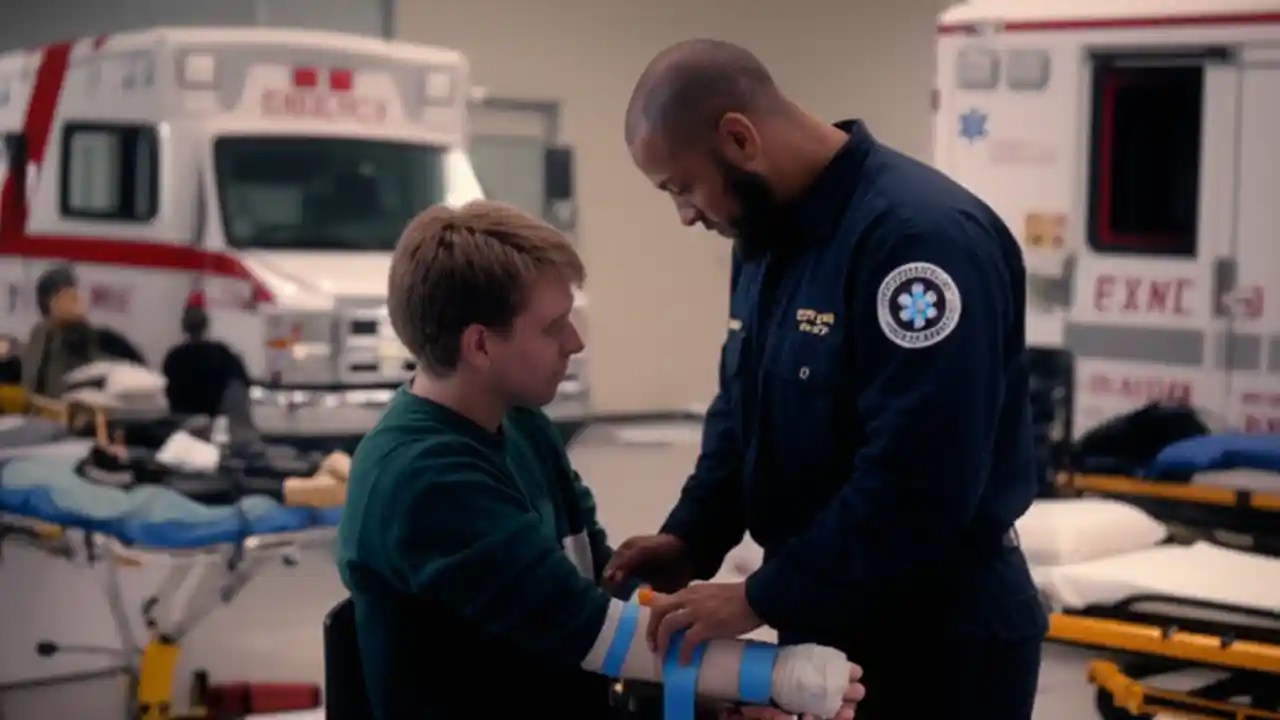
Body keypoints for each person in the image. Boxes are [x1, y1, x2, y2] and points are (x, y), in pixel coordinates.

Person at [605, 39, 1049, 719]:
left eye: (683, 188)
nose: (686, 215)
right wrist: (693, 536)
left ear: (738, 138)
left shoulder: (917, 242)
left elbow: (921, 479)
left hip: (939, 638)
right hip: (829, 612)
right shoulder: (766, 239)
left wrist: (758, 598)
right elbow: (741, 412)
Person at [335, 200, 866, 720]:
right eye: (552, 326)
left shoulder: (520, 424)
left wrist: (714, 700)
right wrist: (781, 677)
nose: (576, 341)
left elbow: (598, 589)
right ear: (479, 345)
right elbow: (595, 633)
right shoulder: (426, 480)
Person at [21, 264, 100, 398]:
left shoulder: (82, 334)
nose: (75, 300)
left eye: (74, 294)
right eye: (67, 295)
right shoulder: (40, 333)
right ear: (49, 302)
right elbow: (31, 382)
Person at [161, 302, 250, 417]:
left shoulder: (174, 357)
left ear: (184, 327)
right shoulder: (221, 354)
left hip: (181, 415)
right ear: (206, 325)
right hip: (212, 415)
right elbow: (242, 381)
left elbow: (167, 388)